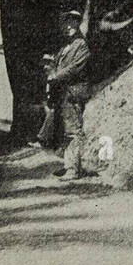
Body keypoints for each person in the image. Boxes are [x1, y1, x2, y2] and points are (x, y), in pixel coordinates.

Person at [44, 10, 92, 180]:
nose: (69, 26)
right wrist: (50, 66)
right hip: (64, 94)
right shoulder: (65, 47)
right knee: (65, 130)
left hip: (74, 93)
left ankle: (74, 170)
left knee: (73, 131)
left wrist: (55, 76)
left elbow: (75, 68)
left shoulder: (81, 45)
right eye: (65, 23)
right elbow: (60, 67)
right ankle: (68, 165)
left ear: (78, 24)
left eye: (72, 22)